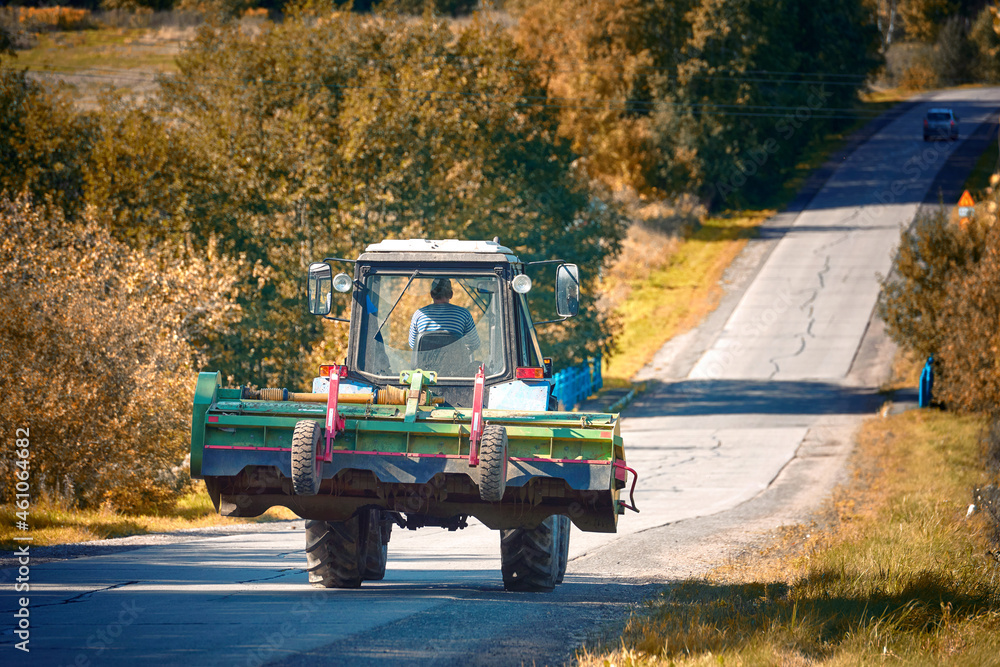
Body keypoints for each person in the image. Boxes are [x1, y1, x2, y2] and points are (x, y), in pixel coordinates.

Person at [408, 277, 480, 351]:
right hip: (455, 361)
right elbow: (474, 343)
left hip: (426, 362)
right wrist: (460, 355)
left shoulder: (419, 315)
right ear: (451, 294)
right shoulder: (464, 314)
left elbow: (413, 345)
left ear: (431, 294)